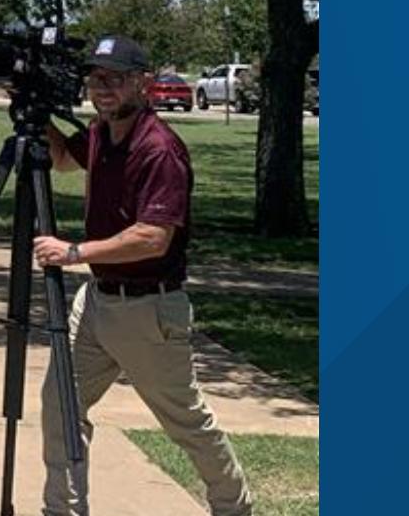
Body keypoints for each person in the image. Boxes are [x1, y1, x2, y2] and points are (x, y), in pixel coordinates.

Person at [32, 35, 253, 516]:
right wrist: (31, 108)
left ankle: (233, 506)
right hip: (96, 301)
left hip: (149, 309)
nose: (102, 87)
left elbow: (154, 237)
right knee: (60, 406)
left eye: (114, 78)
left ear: (143, 83)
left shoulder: (160, 149)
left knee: (186, 423)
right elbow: (64, 160)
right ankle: (62, 509)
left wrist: (74, 251)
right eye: (95, 78)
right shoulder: (100, 132)